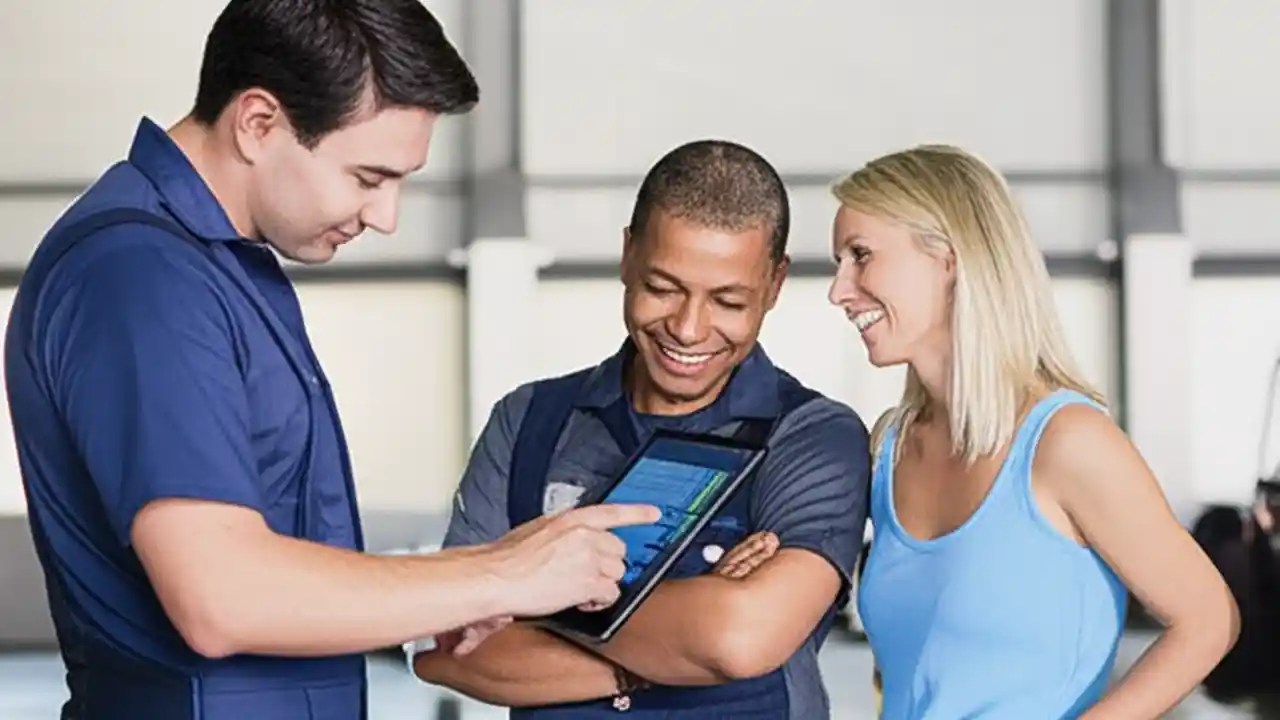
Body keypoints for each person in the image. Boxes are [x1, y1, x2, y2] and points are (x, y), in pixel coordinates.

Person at [4, 2, 657, 719]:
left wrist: (463, 580)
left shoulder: (219, 268)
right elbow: (222, 596)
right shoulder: (141, 278)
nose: (388, 217)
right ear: (258, 123)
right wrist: (501, 577)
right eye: (368, 177)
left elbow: (274, 564)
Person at [411, 139, 872, 718]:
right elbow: (449, 648)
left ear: (774, 286)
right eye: (663, 288)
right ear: (628, 255)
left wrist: (536, 600)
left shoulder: (812, 437)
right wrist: (670, 651)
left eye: (728, 301)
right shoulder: (529, 420)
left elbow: (740, 638)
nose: (687, 327)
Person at [828, 144, 1240, 719]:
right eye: (838, 263)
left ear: (948, 258)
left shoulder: (1067, 441)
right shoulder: (891, 448)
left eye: (860, 255)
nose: (838, 290)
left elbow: (1207, 618)